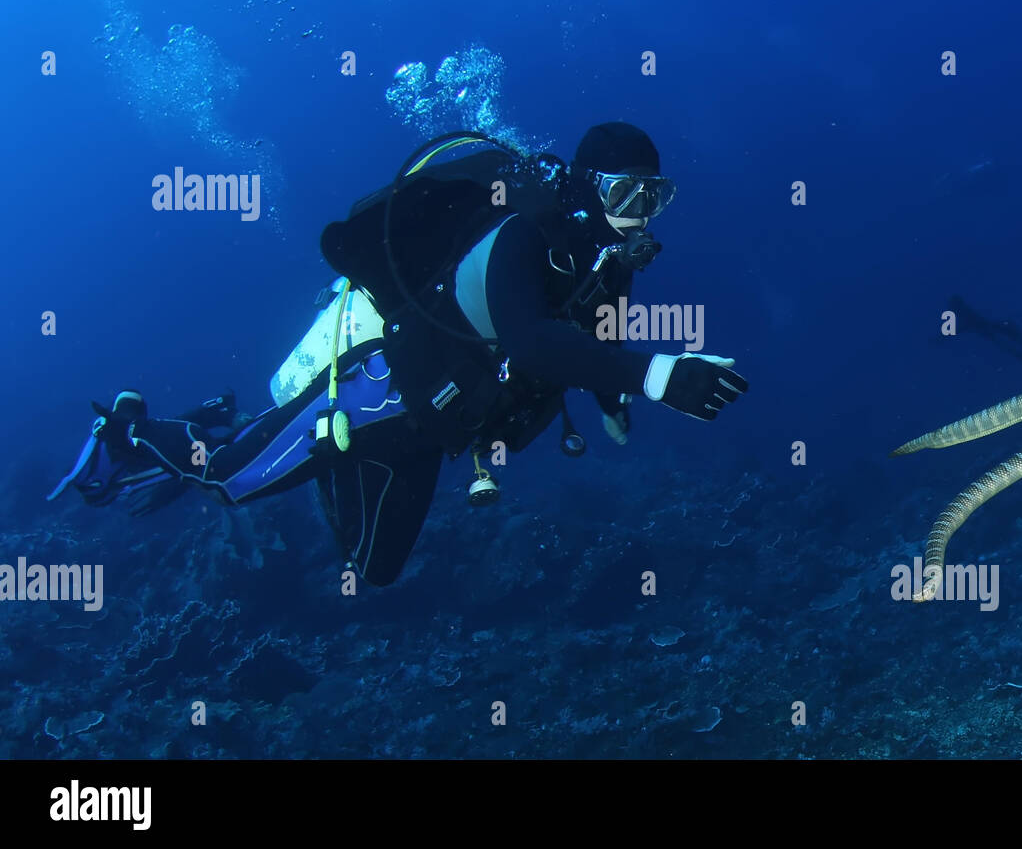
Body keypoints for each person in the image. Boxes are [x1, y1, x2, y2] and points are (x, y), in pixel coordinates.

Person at [48, 123, 749, 586]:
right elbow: (534, 337)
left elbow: (593, 338)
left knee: (372, 569)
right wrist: (658, 376)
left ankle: (258, 432)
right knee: (228, 481)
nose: (641, 216)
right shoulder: (519, 238)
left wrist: (612, 399)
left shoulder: (605, 264)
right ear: (587, 186)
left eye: (655, 197)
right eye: (626, 194)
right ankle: (132, 427)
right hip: (372, 393)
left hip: (433, 427)